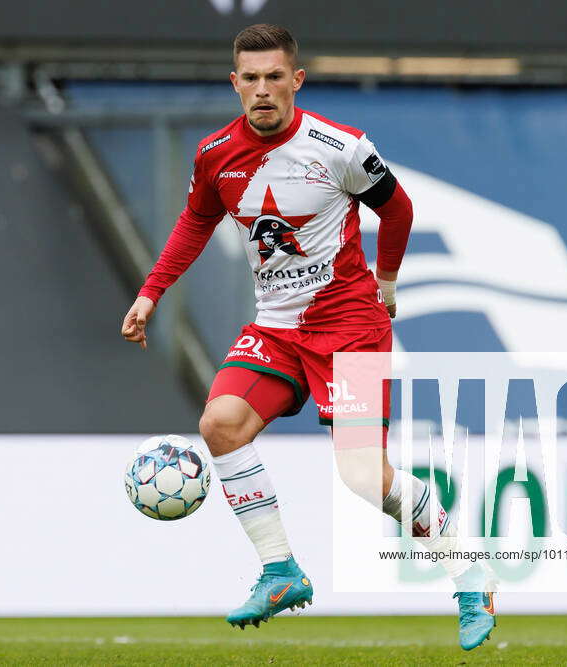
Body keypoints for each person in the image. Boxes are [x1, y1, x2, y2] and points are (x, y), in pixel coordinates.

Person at [121, 24, 496, 650]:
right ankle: (280, 571)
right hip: (276, 328)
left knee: (364, 476)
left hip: (351, 328)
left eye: (274, 77)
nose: (263, 89)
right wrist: (150, 293)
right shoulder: (216, 154)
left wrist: (387, 281)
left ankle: (471, 575)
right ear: (234, 83)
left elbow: (398, 209)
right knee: (220, 425)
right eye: (251, 78)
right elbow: (194, 222)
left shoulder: (340, 147)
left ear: (296, 79)